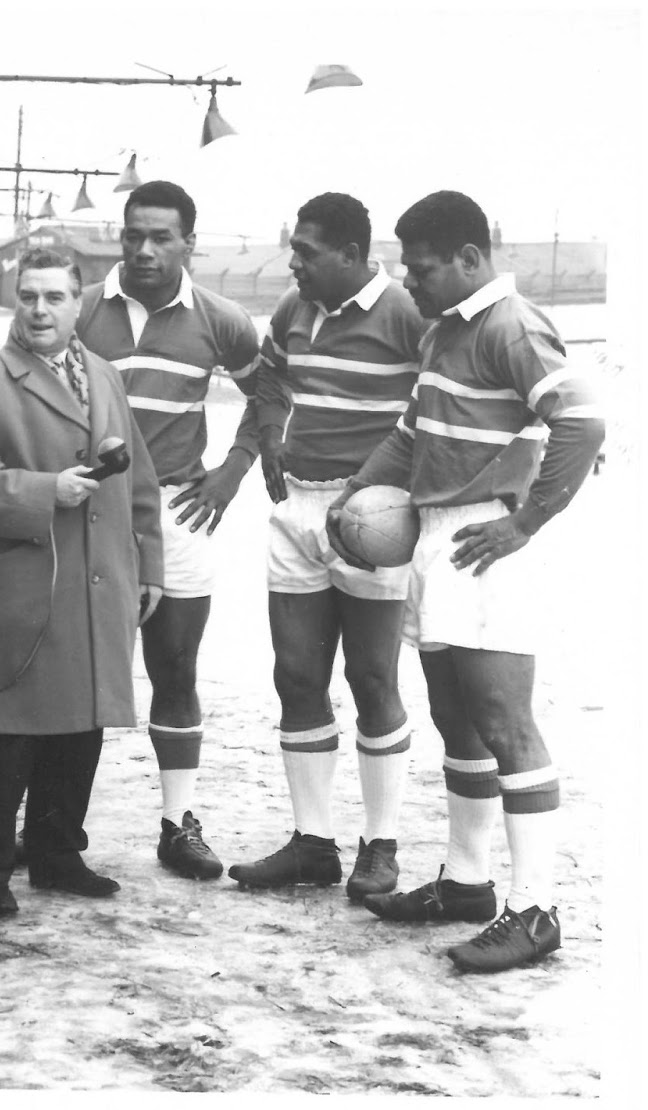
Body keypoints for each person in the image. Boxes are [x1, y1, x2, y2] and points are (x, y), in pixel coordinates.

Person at [330, 191, 603, 972]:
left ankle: (536, 909)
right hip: (437, 536)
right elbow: (413, 431)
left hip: (491, 539)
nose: (408, 281)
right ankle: (468, 884)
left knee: (504, 720)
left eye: (420, 269)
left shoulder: (512, 325)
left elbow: (583, 421)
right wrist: (357, 492)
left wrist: (526, 523)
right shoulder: (444, 327)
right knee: (456, 717)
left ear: (470, 260)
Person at [0, 247, 163, 918]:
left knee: (81, 720)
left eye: (54, 297)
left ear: (78, 303)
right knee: (12, 728)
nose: (39, 310)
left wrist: (147, 567)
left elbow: (139, 478)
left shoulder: (104, 377)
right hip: (26, 576)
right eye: (28, 296)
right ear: (15, 301)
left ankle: (59, 853)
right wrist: (42, 489)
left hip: (101, 575)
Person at [227, 194, 426, 899]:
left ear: (350, 254)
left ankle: (381, 843)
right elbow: (270, 376)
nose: (295, 263)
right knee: (296, 675)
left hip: (370, 511)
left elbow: (437, 397)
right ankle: (314, 843)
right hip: (297, 508)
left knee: (373, 680)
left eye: (307, 252)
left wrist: (397, 488)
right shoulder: (293, 309)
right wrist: (273, 434)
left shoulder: (406, 312)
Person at [74, 180, 260, 880]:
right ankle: (55, 825)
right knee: (78, 667)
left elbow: (270, 393)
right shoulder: (82, 308)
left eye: (161, 237)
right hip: (91, 509)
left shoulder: (221, 319)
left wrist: (233, 469)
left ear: (189, 243)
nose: (145, 250)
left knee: (174, 667)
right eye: (133, 235)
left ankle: (178, 824)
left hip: (179, 510)